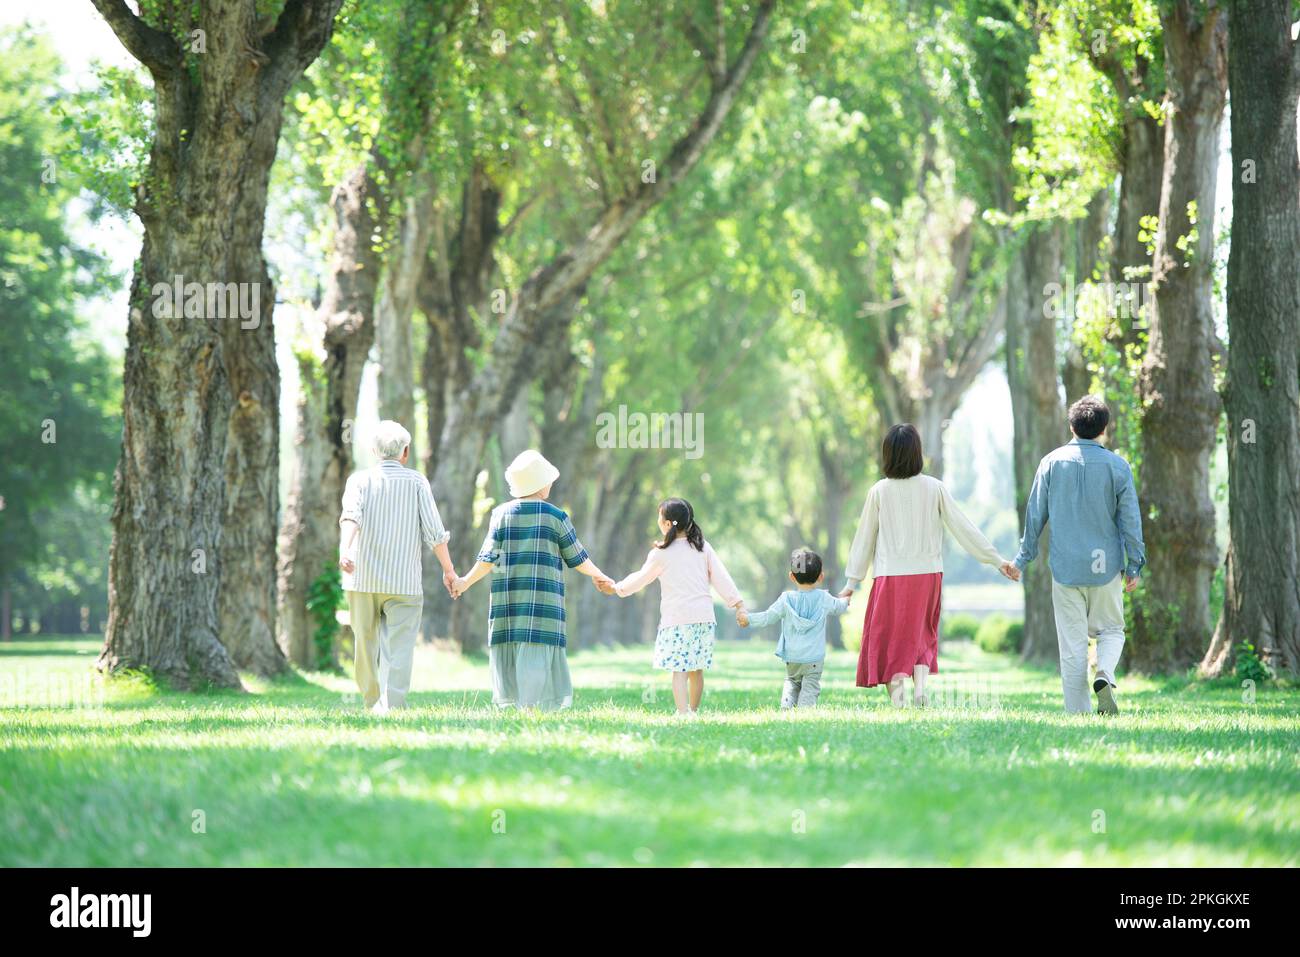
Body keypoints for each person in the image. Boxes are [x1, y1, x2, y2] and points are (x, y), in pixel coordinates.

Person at [841, 424, 1016, 707]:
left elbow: (864, 539)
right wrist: (996, 560)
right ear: (917, 453)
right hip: (928, 575)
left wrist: (851, 582)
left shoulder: (879, 491)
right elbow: (963, 527)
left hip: (891, 576)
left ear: (888, 455)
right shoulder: (935, 488)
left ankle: (899, 704)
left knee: (891, 638)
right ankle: (920, 689)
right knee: (923, 633)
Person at [1011, 395, 1146, 715]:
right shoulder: (1118, 466)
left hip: (1066, 569)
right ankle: (1105, 674)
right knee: (1112, 630)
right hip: (1106, 569)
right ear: (1104, 429)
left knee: (1072, 650)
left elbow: (1035, 515)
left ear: (1071, 426)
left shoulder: (1051, 462)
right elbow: (1131, 520)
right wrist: (1135, 564)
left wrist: (1022, 559)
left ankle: (1079, 715)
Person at [453, 450, 612, 710]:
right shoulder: (556, 516)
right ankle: (530, 708)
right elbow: (578, 558)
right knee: (537, 651)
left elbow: (487, 558)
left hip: (509, 599)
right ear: (540, 483)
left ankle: (519, 706)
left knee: (514, 649)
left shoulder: (500, 514)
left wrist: (464, 582)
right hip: (543, 599)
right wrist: (600, 575)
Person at [338, 420, 457, 714]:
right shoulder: (417, 482)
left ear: (374, 452)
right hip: (404, 583)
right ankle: (392, 704)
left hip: (363, 578)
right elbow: (435, 532)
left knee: (364, 644)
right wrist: (449, 570)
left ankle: (371, 702)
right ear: (405, 452)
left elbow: (351, 516)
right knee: (400, 647)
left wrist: (345, 549)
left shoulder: (358, 481)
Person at [603, 498, 746, 717]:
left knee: (679, 670)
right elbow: (721, 577)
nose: (658, 521)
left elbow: (641, 579)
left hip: (677, 619)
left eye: (660, 517)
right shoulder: (702, 547)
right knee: (696, 669)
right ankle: (694, 711)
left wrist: (617, 588)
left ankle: (682, 712)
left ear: (668, 524)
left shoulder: (661, 553)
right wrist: (737, 603)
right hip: (703, 618)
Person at [738, 547, 849, 709]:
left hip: (792, 656)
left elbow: (768, 616)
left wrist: (748, 619)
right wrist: (846, 599)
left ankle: (787, 708)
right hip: (814, 658)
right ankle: (805, 713)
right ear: (821, 577)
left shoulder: (786, 599)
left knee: (791, 683)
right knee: (810, 686)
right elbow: (840, 607)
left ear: (792, 576)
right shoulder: (823, 598)